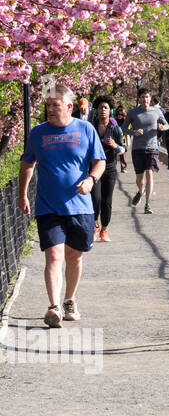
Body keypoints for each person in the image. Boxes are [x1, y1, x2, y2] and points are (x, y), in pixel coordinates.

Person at [18, 84, 106, 327]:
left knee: (74, 256)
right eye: (47, 106)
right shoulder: (38, 133)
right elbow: (27, 164)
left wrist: (91, 180)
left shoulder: (86, 129)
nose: (50, 110)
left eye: (54, 106)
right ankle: (54, 306)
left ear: (69, 107)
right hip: (48, 205)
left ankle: (69, 300)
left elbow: (99, 161)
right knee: (54, 255)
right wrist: (22, 195)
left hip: (80, 206)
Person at [125, 89, 168, 213]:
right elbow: (123, 128)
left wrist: (162, 127)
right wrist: (134, 132)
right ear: (139, 99)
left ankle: (147, 204)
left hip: (152, 147)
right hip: (138, 148)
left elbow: (167, 125)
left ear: (150, 98)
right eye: (143, 97)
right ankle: (140, 191)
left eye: (147, 97)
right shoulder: (133, 112)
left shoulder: (157, 111)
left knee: (149, 173)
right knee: (139, 178)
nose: (145, 99)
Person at [90, 95, 125, 241]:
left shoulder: (115, 129)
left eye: (105, 108)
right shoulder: (90, 127)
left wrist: (114, 146)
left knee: (107, 201)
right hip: (94, 168)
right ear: (96, 111)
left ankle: (104, 229)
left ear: (110, 110)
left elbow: (123, 149)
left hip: (110, 168)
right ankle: (95, 225)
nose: (103, 110)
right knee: (95, 199)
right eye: (100, 108)